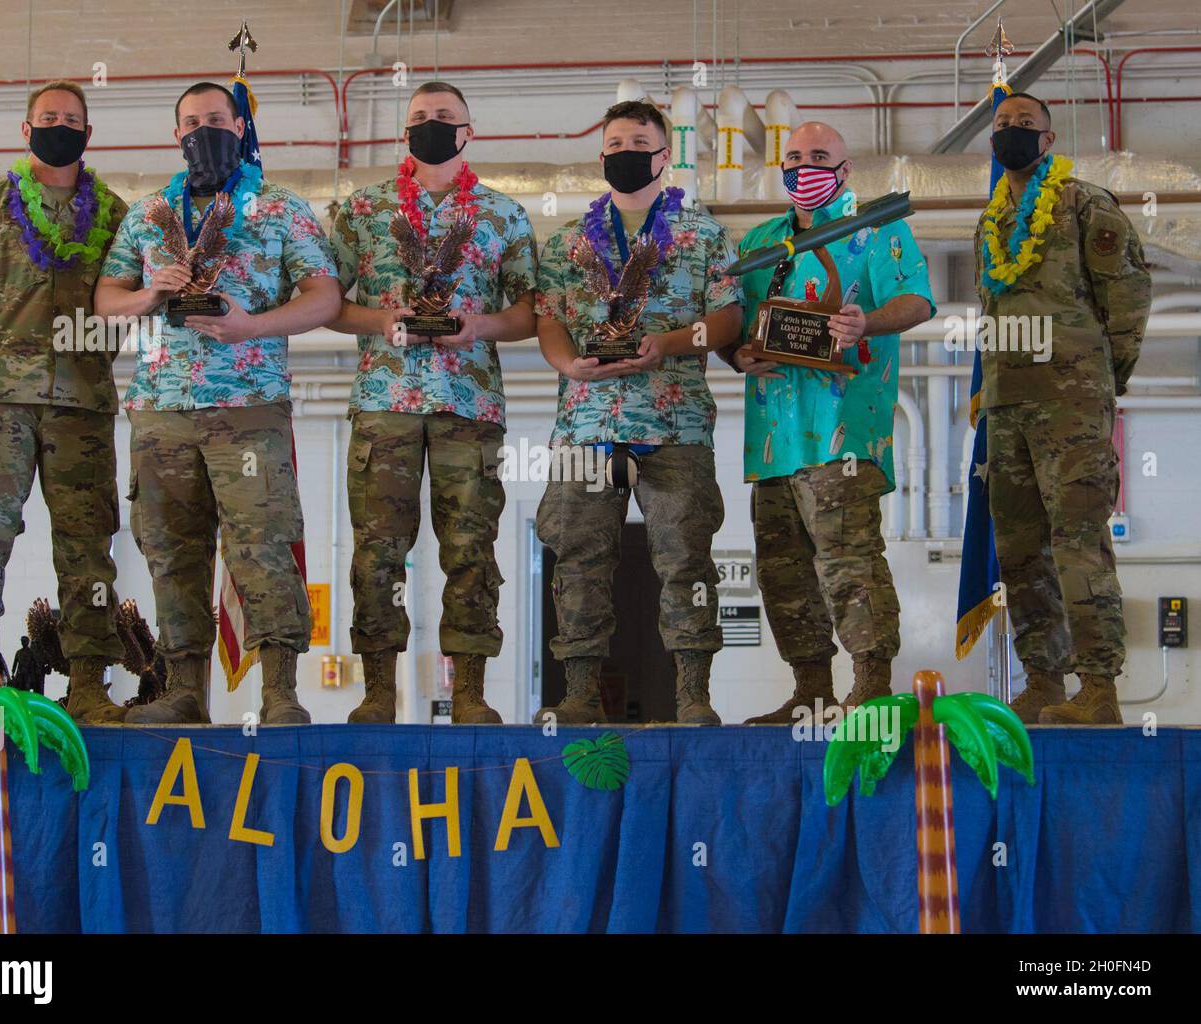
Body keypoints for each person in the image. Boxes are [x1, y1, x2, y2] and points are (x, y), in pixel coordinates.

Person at [95, 82, 342, 725]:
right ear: (175, 134)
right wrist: (150, 294)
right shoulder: (150, 212)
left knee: (262, 542)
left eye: (215, 119)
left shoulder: (280, 207)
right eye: (190, 121)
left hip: (248, 406)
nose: (202, 129)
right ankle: (182, 691)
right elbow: (105, 300)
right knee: (170, 548)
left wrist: (251, 326)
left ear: (240, 123)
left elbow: (326, 297)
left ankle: (281, 691)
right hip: (159, 408)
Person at [329, 81, 537, 724]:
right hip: (384, 398)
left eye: (444, 118)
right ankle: (376, 692)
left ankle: (470, 690)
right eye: (419, 117)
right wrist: (382, 320)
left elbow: (532, 310)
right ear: (404, 130)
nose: (431, 125)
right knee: (377, 550)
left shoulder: (503, 214)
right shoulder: (363, 209)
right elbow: (326, 302)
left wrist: (478, 326)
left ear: (468, 131)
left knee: (471, 549)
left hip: (468, 402)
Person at [533, 100, 743, 725]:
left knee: (686, 557)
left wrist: (669, 345)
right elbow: (548, 319)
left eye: (639, 140)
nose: (625, 150)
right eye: (615, 141)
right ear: (601, 155)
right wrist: (568, 364)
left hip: (674, 424)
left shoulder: (702, 234)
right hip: (587, 424)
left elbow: (728, 317)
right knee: (578, 556)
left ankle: (693, 693)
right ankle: (577, 692)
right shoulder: (567, 241)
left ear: (663, 154)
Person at [0, 80, 130, 722]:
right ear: (26, 130)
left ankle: (92, 683)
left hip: (82, 405)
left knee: (87, 544)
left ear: (88, 135)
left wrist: (94, 355)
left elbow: (127, 298)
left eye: (71, 119)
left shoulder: (115, 215)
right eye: (48, 118)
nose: (59, 126)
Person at [725, 121, 934, 724]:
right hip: (773, 439)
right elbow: (736, 324)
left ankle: (870, 684)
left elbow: (917, 300)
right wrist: (736, 354)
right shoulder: (763, 240)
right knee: (783, 569)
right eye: (793, 157)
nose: (804, 166)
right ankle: (811, 691)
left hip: (844, 428)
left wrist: (865, 322)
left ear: (844, 170)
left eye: (819, 156)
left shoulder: (876, 228)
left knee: (849, 561)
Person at [974, 92, 1150, 725]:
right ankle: (1044, 681)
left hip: (1071, 405)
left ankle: (1099, 687)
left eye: (1024, 125)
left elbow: (1127, 298)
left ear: (1048, 141)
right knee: (1020, 550)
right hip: (1008, 408)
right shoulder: (991, 220)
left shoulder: (1083, 203)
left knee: (1078, 541)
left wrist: (1102, 378)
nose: (1010, 133)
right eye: (1001, 125)